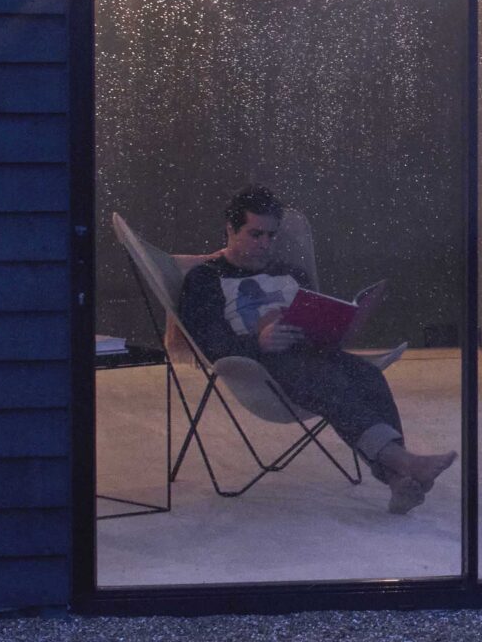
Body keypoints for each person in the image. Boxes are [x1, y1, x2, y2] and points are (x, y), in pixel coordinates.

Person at [178, 184, 455, 516]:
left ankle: (398, 480)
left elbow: (315, 320)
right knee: (329, 382)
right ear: (230, 229)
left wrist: (341, 327)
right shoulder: (205, 279)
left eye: (271, 235)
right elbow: (210, 343)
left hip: (311, 354)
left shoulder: (289, 273)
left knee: (368, 376)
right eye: (255, 234)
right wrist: (259, 341)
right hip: (260, 367)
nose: (265, 243)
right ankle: (403, 462)